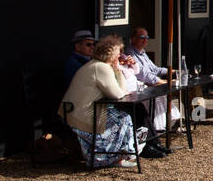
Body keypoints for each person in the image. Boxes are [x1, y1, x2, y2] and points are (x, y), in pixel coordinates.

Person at [59, 34, 138, 167]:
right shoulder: (101, 68)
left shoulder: (100, 65)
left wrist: (117, 70)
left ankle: (118, 156)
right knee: (123, 119)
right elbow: (117, 94)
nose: (120, 56)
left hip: (80, 111)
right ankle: (109, 158)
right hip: (79, 115)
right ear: (112, 54)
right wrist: (117, 69)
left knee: (123, 117)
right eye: (118, 53)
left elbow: (120, 91)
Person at [127, 27, 180, 134]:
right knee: (169, 89)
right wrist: (167, 82)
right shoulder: (130, 54)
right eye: (142, 37)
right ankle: (166, 124)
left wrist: (174, 71)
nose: (145, 40)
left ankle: (198, 111)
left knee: (187, 84)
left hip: (153, 81)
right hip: (144, 86)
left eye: (147, 37)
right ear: (133, 39)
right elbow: (145, 76)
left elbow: (155, 69)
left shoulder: (142, 52)